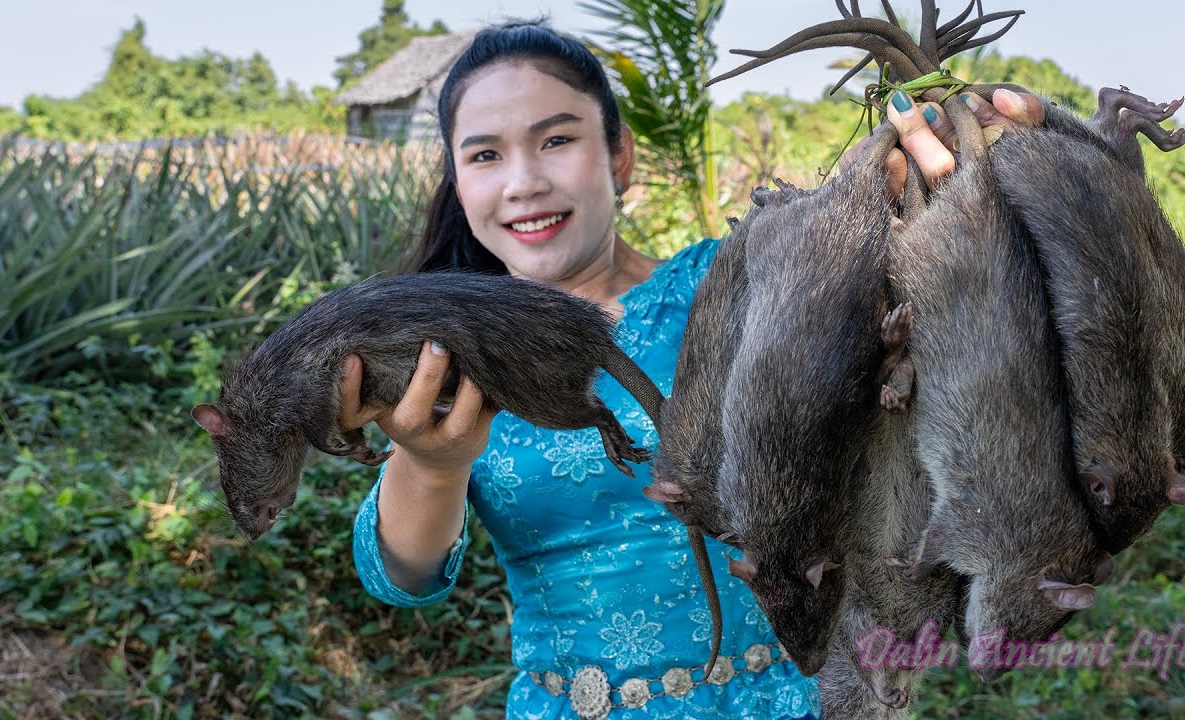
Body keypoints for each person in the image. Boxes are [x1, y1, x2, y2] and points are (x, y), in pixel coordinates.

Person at [336, 20, 1045, 720]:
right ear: (458, 182)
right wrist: (431, 464)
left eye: (556, 140)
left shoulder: (735, 279)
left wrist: (966, 171)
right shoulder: (448, 355)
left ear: (619, 155)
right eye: (485, 156)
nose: (524, 182)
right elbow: (402, 577)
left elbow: (887, 280)